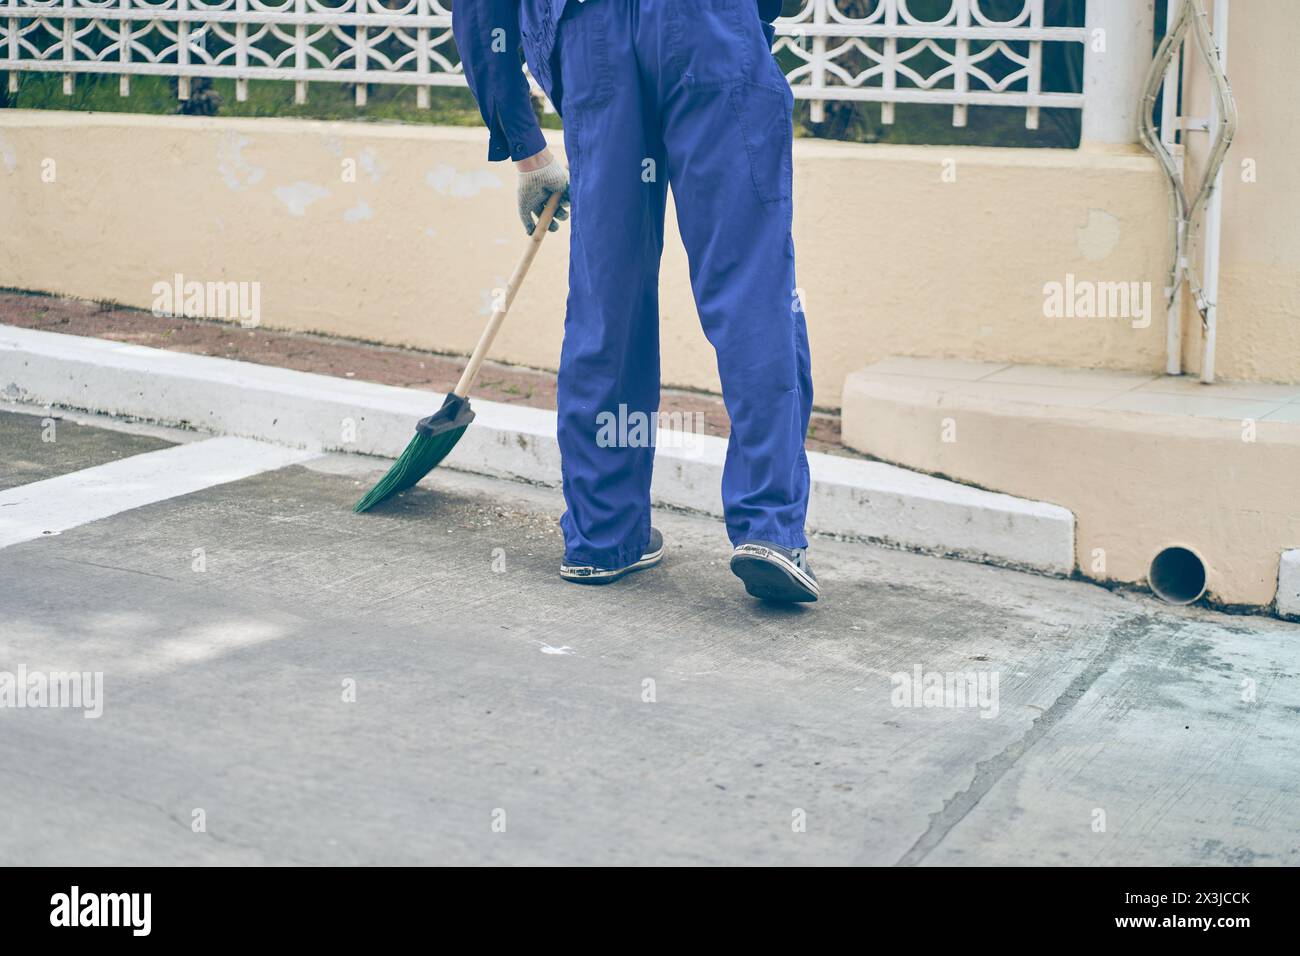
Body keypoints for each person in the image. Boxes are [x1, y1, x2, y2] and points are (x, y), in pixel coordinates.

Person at [453, 0, 818, 603]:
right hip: (709, 30)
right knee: (750, 288)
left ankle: (603, 536)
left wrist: (527, 148)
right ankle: (770, 530)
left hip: (592, 42)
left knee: (606, 298)